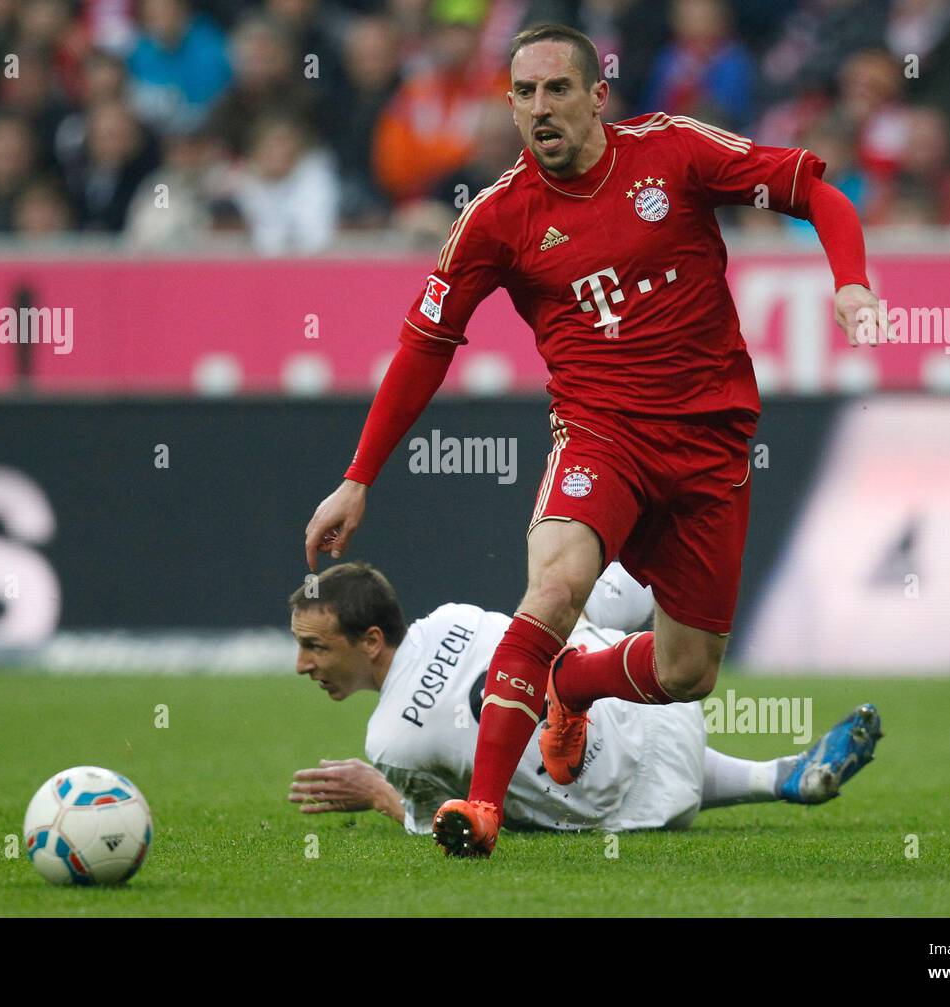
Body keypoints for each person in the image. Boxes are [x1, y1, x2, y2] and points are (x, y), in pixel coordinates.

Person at [304, 23, 884, 857]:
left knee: (688, 671)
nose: (540, 108)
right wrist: (358, 476)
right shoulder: (496, 219)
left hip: (711, 443)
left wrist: (852, 283)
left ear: (596, 95)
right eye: (524, 94)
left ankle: (572, 682)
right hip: (599, 435)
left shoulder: (674, 152)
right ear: (508, 105)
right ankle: (485, 807)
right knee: (557, 584)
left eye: (557, 89)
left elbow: (815, 193)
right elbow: (423, 349)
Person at [286, 562, 882, 841]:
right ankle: (780, 775)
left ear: (369, 642)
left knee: (507, 794)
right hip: (656, 707)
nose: (303, 664)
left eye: (313, 646)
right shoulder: (452, 615)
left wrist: (373, 793)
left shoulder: (388, 741)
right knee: (569, 607)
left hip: (630, 803)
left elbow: (443, 826)